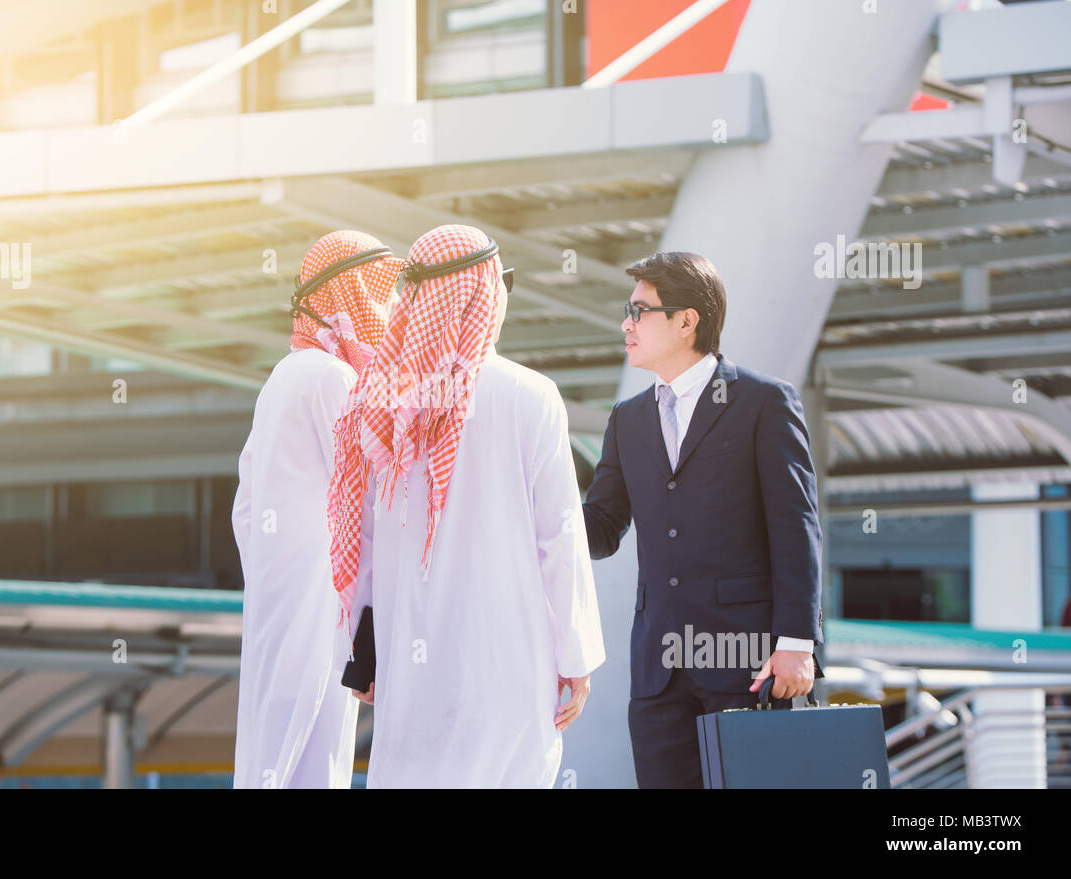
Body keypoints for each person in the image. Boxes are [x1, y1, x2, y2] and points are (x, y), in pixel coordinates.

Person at [327, 224, 605, 788]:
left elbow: (364, 538)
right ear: (485, 294)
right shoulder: (530, 395)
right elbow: (560, 534)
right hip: (506, 657)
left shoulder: (380, 402)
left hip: (411, 664)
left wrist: (365, 649)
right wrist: (576, 655)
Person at [582, 250, 824, 789]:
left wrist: (797, 643)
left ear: (686, 321)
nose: (626, 322)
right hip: (658, 671)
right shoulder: (627, 419)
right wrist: (533, 505)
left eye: (639, 309)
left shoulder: (764, 402)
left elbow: (796, 527)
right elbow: (600, 529)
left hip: (748, 665)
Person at [231, 230, 404, 788]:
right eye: (377, 289)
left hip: (281, 591)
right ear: (348, 292)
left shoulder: (284, 375)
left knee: (278, 750)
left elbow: (244, 507)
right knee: (318, 750)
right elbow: (368, 497)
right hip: (325, 596)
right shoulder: (335, 378)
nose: (386, 306)